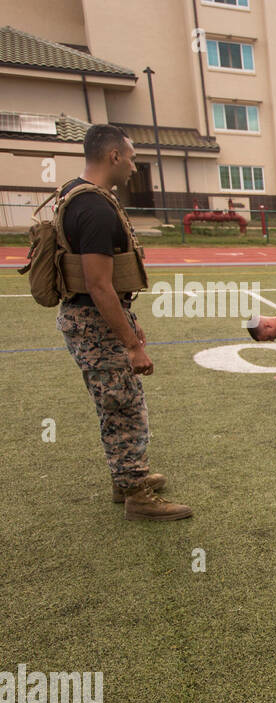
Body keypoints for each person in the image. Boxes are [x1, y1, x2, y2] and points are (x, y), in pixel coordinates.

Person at [52, 124, 192, 520]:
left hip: (87, 319)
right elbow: (98, 286)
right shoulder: (94, 208)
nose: (133, 166)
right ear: (114, 156)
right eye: (130, 158)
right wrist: (132, 345)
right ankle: (135, 492)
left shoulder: (72, 192)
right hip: (93, 322)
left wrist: (128, 324)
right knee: (123, 404)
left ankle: (125, 477)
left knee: (113, 403)